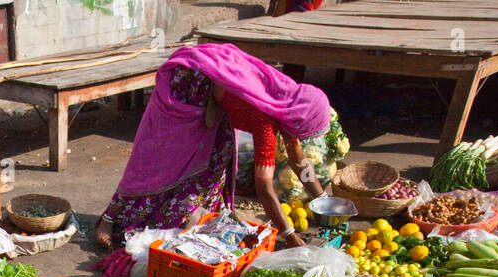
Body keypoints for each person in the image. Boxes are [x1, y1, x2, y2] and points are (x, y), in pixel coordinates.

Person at [96, 43, 332, 251]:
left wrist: (323, 199)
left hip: (215, 84)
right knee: (163, 157)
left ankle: (189, 212)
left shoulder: (289, 105)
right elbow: (264, 189)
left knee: (217, 155)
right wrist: (288, 234)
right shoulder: (267, 123)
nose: (300, 137)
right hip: (189, 83)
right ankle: (111, 217)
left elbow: (297, 158)